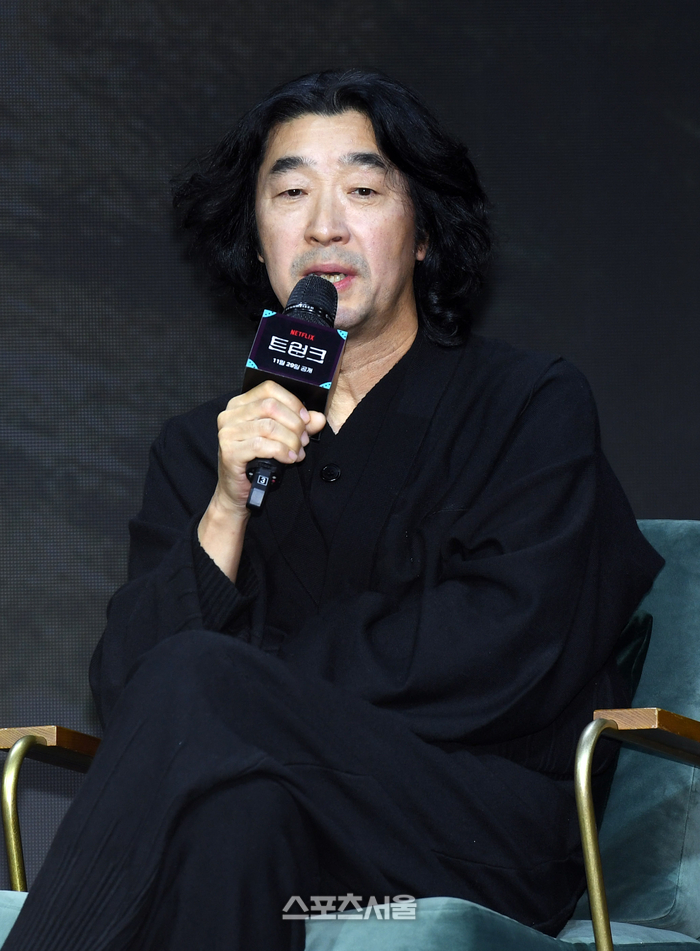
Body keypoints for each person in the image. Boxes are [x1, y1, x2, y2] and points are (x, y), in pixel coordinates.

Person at [5, 69, 663, 951]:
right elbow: (131, 689)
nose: (324, 225)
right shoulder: (205, 446)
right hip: (298, 844)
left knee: (201, 680)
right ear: (257, 238)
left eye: (362, 190)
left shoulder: (527, 404)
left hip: (472, 826)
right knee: (233, 814)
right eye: (289, 194)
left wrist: (252, 682)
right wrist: (226, 507)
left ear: (423, 232)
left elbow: (508, 646)